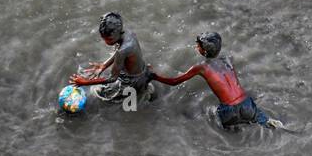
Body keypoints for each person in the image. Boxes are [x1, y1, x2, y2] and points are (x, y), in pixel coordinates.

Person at [151, 32, 282, 129]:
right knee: (267, 124)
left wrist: (155, 76)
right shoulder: (229, 60)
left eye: (198, 46)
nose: (196, 47)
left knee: (230, 132)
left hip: (228, 111)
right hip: (247, 104)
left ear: (203, 51)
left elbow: (175, 81)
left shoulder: (201, 68)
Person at [69, 12, 155, 102]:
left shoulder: (122, 50)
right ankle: (144, 86)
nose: (106, 42)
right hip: (141, 70)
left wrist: (86, 82)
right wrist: (104, 65)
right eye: (104, 38)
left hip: (132, 81)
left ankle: (138, 92)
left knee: (99, 93)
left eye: (109, 39)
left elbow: (112, 78)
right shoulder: (128, 34)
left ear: (117, 34)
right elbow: (120, 52)